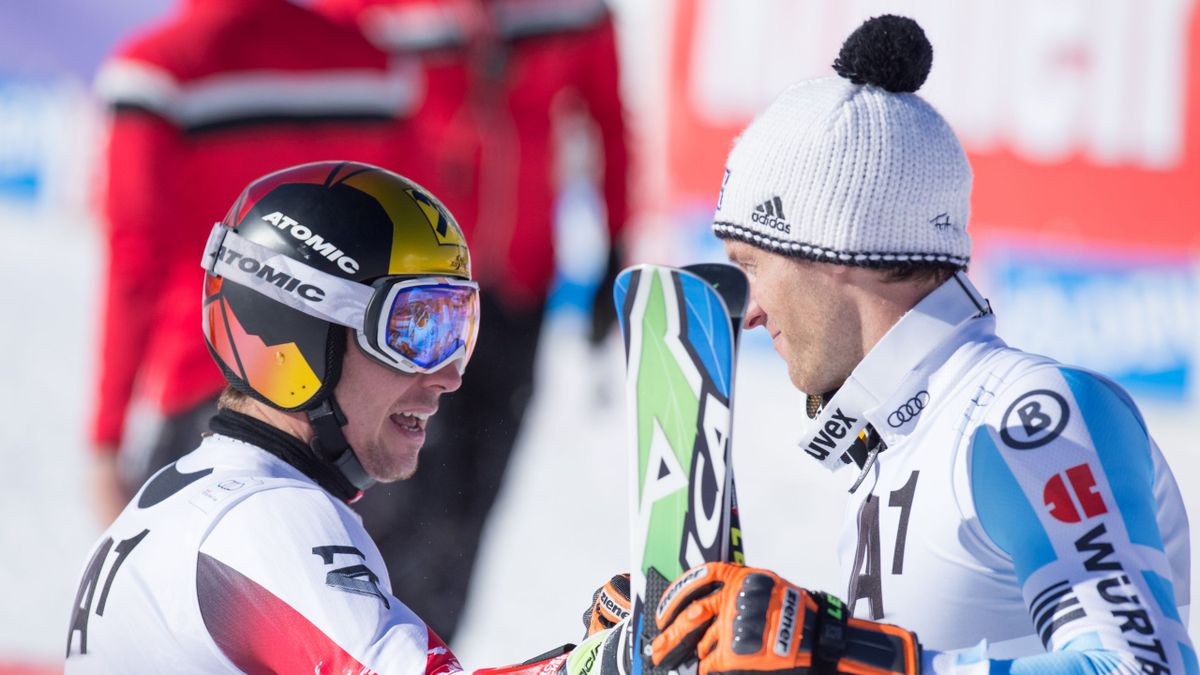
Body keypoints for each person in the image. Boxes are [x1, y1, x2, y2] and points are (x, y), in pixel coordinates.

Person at [647, 15, 1193, 675]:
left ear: (835, 246)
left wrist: (849, 655)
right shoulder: (898, 448)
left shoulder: (1025, 417)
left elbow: (1143, 666)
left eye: (755, 263)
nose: (751, 309)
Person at [311, 0, 631, 641]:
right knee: (390, 495)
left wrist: (615, 244)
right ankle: (349, 647)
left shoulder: (574, 10)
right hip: (404, 299)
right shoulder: (367, 11)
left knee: (470, 507)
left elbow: (610, 122)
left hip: (517, 295)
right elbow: (326, 112)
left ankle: (428, 653)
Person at [89, 0, 418, 526]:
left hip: (218, 386)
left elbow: (135, 260)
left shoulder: (158, 70)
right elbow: (421, 236)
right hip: (368, 396)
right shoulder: (373, 65)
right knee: (382, 598)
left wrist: (107, 435)